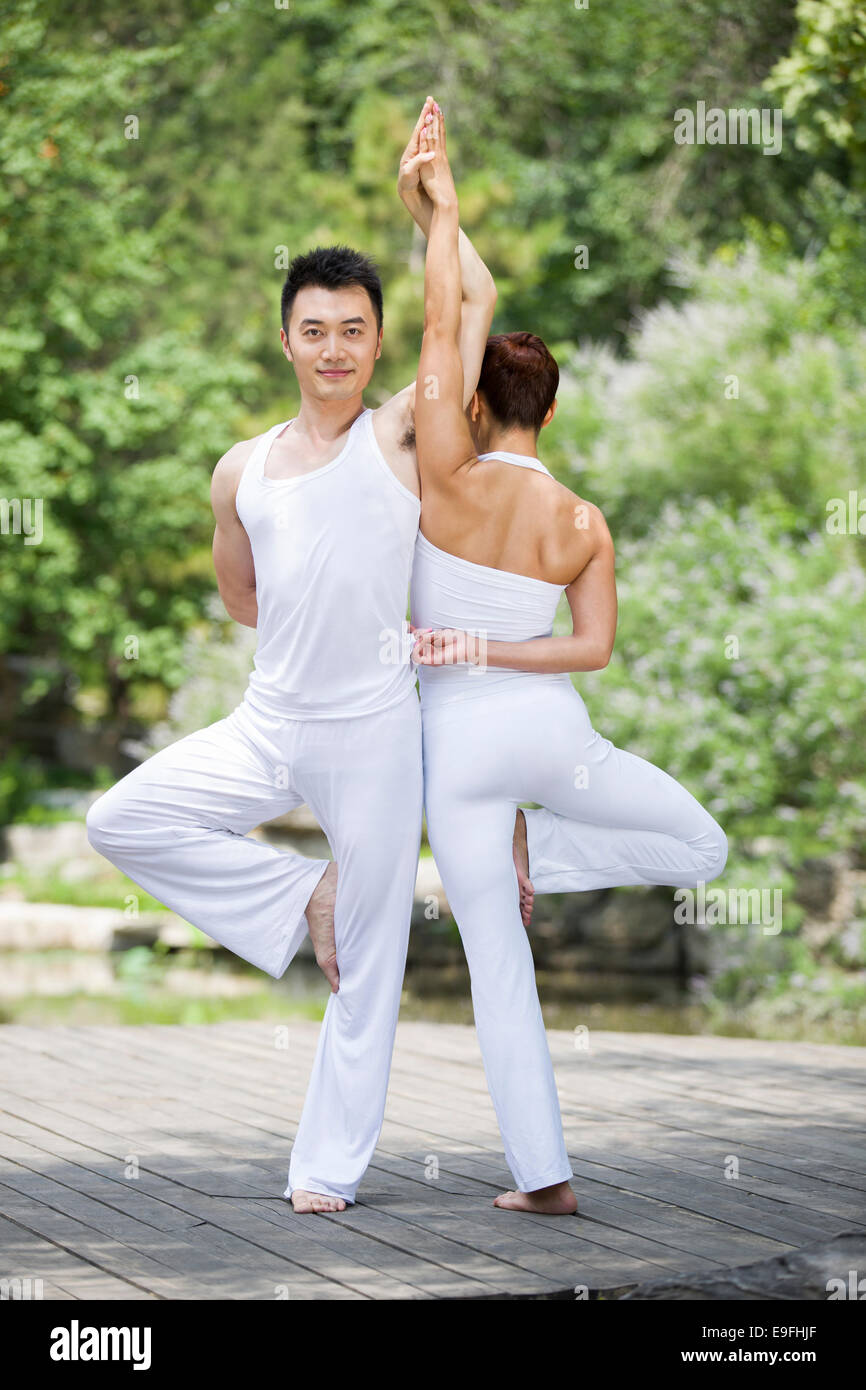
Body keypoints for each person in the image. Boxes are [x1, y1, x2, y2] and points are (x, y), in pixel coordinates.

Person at [85, 97, 497, 1215]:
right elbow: (239, 590)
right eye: (313, 330)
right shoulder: (239, 468)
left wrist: (437, 212)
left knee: (368, 969)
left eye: (353, 330)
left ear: (372, 339)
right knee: (119, 819)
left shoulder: (401, 432)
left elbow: (471, 314)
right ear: (286, 339)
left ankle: (323, 1171)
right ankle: (294, 894)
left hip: (374, 733)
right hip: (271, 721)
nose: (333, 348)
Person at [409, 107, 728, 1215]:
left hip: (455, 751)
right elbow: (589, 648)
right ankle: (540, 834)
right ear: (550, 405)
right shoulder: (581, 520)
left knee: (499, 966)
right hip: (552, 741)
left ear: (472, 402)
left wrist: (438, 208)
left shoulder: (439, 474)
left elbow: (446, 311)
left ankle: (544, 1183)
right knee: (700, 843)